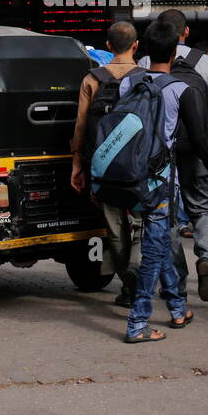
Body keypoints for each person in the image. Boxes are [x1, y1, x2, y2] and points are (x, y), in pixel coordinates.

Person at [122, 21, 208, 343]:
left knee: (160, 241)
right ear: (176, 52)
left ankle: (177, 306)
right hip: (162, 180)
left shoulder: (127, 84)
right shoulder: (181, 89)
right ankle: (137, 323)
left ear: (144, 50)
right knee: (154, 246)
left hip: (129, 176)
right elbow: (200, 138)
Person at [138, 9, 208, 304]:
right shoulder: (206, 63)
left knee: (169, 215)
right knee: (203, 208)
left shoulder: (143, 63)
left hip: (157, 155)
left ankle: (177, 276)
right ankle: (205, 258)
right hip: (195, 147)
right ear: (185, 32)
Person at [71, 20, 143, 305]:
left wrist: (77, 164)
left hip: (102, 167)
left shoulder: (92, 79)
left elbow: (80, 125)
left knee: (114, 230)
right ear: (136, 46)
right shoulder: (146, 78)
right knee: (138, 226)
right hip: (138, 167)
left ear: (109, 46)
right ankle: (134, 281)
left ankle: (127, 279)